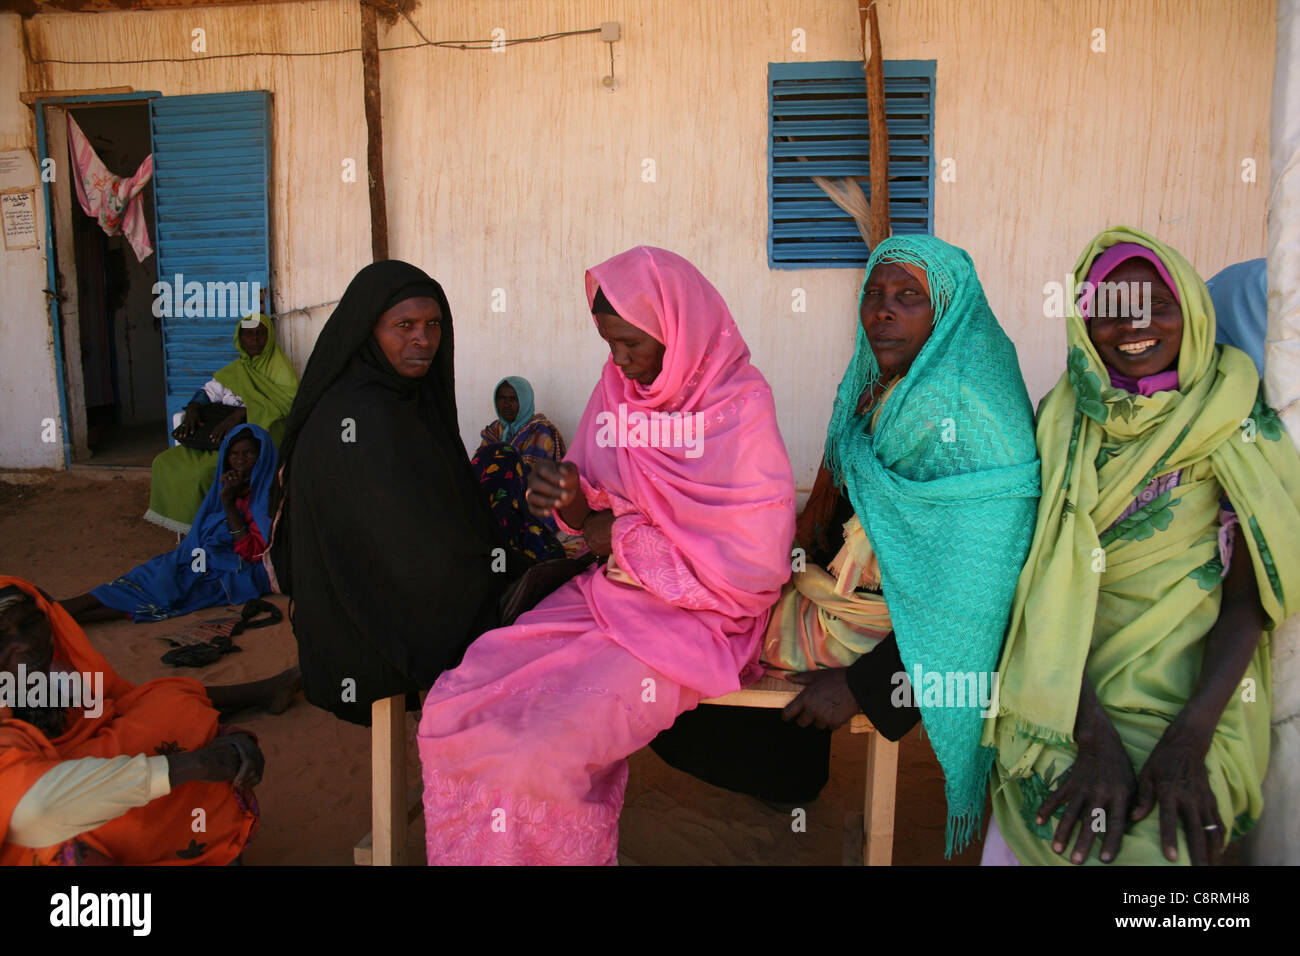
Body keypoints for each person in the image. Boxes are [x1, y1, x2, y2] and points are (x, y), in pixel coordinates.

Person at [651, 235, 1041, 855]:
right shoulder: (877, 390)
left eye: (909, 296)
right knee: (706, 606)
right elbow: (833, 521)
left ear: (947, 309)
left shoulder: (972, 416)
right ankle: (789, 773)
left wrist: (867, 686)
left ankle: (787, 772)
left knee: (711, 637)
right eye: (875, 296)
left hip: (902, 638)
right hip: (845, 601)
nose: (883, 312)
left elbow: (976, 592)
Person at [417, 245, 796, 865]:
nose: (619, 362)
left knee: (538, 753)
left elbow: (751, 573)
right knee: (460, 707)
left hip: (697, 622)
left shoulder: (740, 409)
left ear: (681, 332)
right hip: (608, 598)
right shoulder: (617, 392)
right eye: (608, 343)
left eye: (632, 344)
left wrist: (611, 534)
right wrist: (567, 499)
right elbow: (586, 512)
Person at [983, 226, 1300, 866]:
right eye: (1110, 309)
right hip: (1064, 689)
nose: (1135, 326)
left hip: (1196, 700)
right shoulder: (1059, 421)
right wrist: (1094, 740)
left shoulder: (1234, 413)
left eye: (1158, 306)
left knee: (1157, 855)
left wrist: (1186, 744)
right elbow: (1030, 589)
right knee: (1055, 830)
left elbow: (1248, 603)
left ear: (1192, 310)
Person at [269, 261, 514, 726]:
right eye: (404, 326)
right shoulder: (357, 416)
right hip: (366, 626)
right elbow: (404, 551)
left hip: (388, 595)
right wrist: (491, 569)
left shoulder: (402, 398)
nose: (424, 339)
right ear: (368, 331)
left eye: (434, 324)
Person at [0, 578, 295, 865]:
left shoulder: (56, 674)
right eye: (2, 636)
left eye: (30, 624)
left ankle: (265, 692)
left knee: (174, 704)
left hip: (83, 773)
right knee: (67, 844)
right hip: (41, 811)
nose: (25, 644)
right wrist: (192, 765)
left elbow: (112, 707)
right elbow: (35, 805)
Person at [62, 423, 277, 624]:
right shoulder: (225, 488)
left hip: (243, 571)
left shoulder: (270, 497)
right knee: (159, 571)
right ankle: (65, 612)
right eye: (234, 454)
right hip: (206, 558)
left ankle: (64, 614)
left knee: (175, 590)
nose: (241, 461)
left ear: (262, 456)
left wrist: (229, 505)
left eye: (249, 453)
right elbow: (199, 537)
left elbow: (255, 553)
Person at [145, 313, 298, 533]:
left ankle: (211, 526)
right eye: (248, 334)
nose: (255, 339)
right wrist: (193, 409)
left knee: (203, 473)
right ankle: (188, 526)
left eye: (261, 333)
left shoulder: (281, 370)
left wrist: (240, 415)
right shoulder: (235, 371)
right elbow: (207, 392)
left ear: (270, 336)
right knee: (164, 462)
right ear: (240, 338)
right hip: (217, 439)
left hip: (251, 441)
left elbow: (289, 404)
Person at [473, 377, 568, 561]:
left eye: (513, 399)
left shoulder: (542, 433)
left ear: (524, 401)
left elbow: (548, 482)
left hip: (532, 503)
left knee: (505, 454)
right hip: (494, 502)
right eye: (501, 398)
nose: (506, 404)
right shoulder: (493, 432)